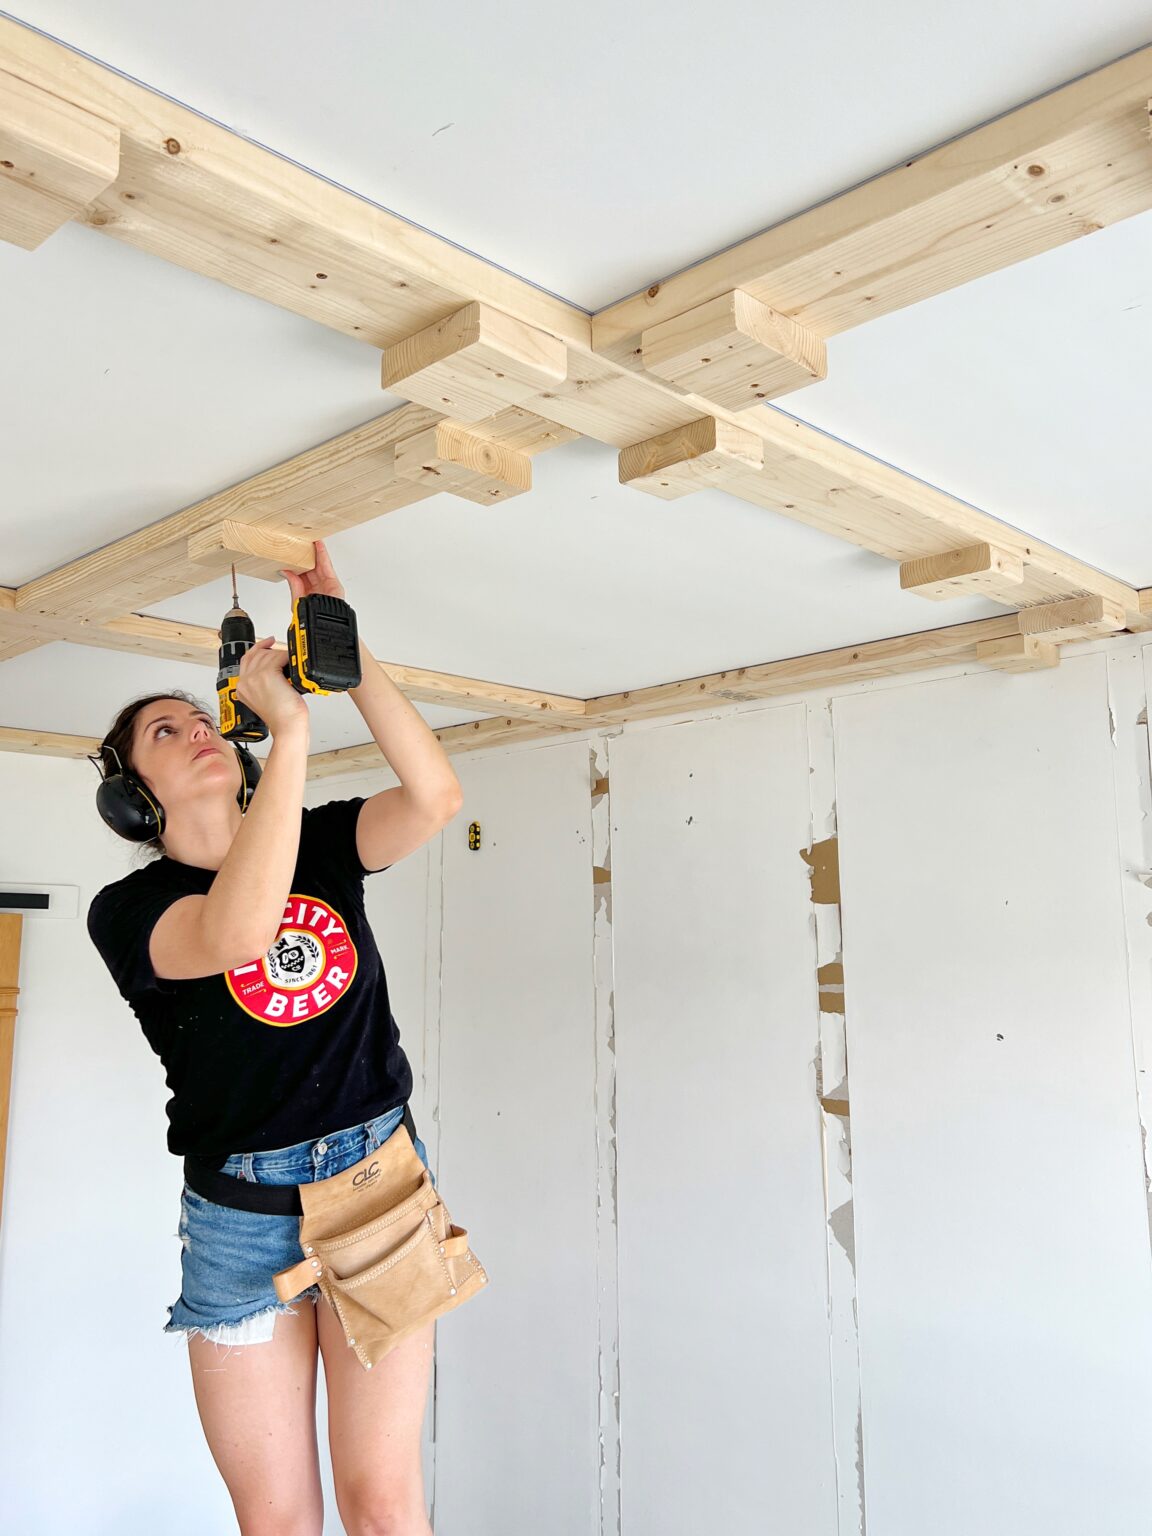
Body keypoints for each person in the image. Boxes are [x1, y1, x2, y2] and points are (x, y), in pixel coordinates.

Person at [85, 542, 463, 1536]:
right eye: (166, 732)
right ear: (133, 794)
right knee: (279, 1524)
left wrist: (342, 642)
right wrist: (288, 735)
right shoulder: (129, 911)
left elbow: (435, 798)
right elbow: (240, 930)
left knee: (384, 1509)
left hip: (378, 1185)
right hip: (239, 1224)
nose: (199, 734)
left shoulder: (325, 845)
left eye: (203, 721)